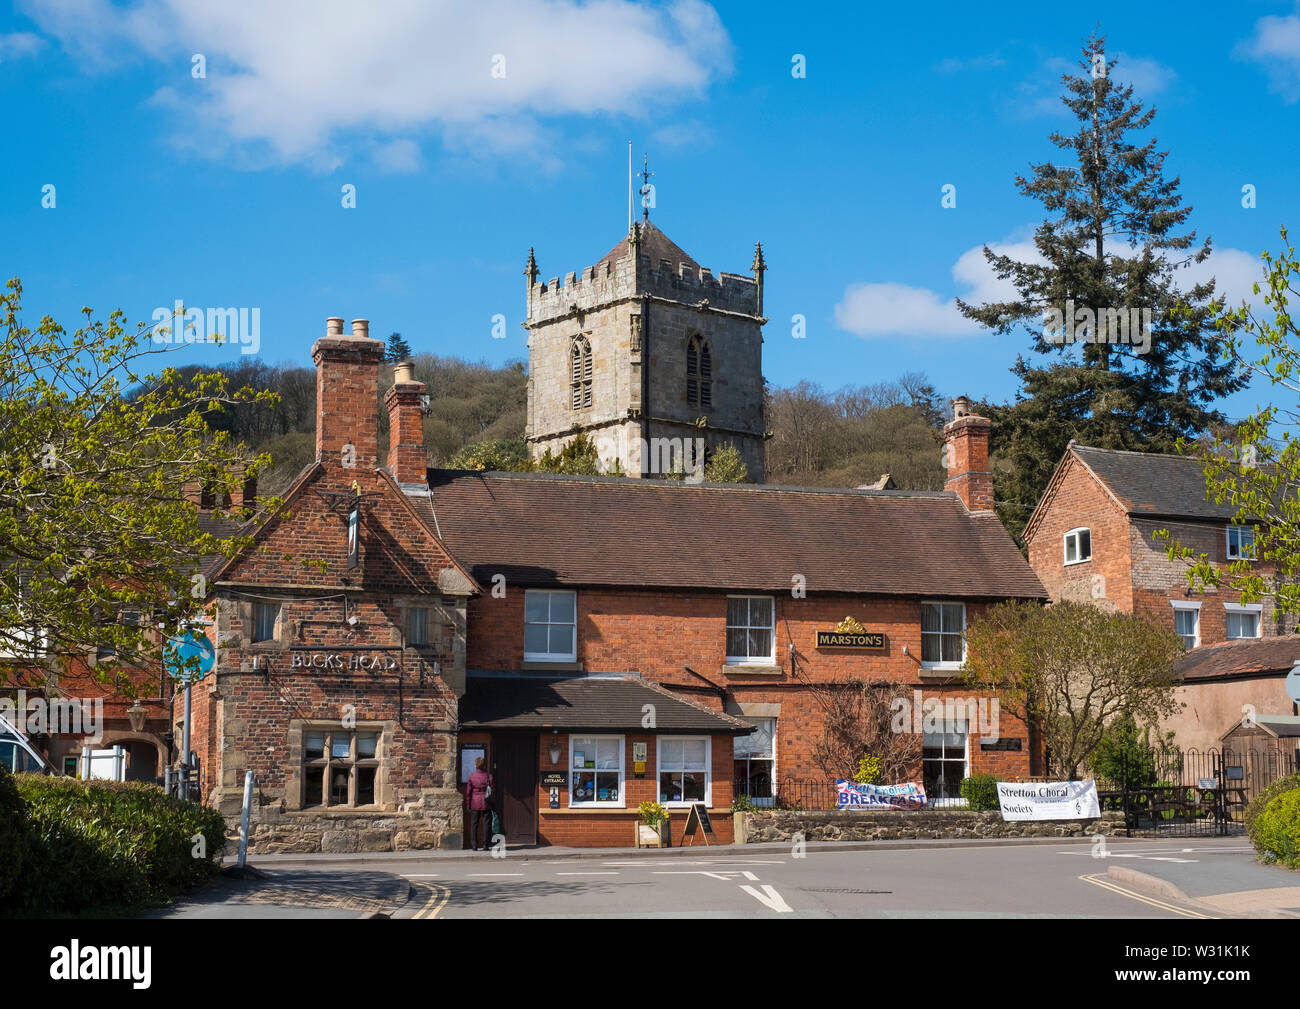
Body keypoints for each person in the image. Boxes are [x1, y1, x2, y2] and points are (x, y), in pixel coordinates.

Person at [465, 756, 495, 851]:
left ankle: (474, 845)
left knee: (474, 824)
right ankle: (486, 845)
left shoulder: (472, 776)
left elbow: (468, 792)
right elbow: (493, 790)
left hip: (475, 802)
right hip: (486, 802)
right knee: (487, 824)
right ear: (484, 765)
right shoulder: (489, 776)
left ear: (476, 765)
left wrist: (468, 804)